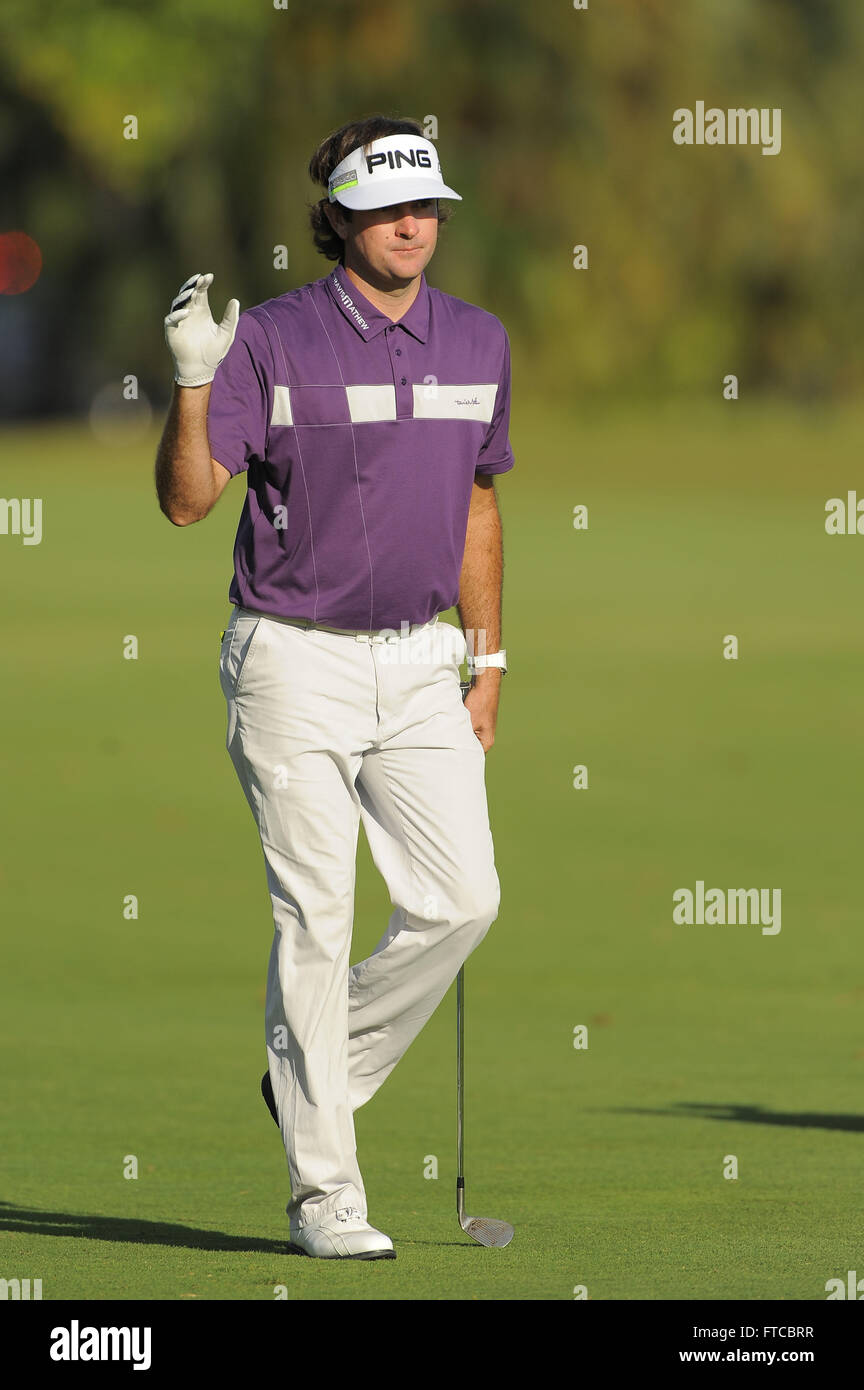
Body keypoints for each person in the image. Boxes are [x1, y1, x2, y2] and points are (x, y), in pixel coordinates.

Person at [154, 114, 513, 1260]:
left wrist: (488, 659)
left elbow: (478, 503)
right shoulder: (272, 337)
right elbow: (188, 500)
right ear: (342, 218)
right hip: (291, 655)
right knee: (317, 917)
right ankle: (326, 1197)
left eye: (427, 207)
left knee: (463, 899)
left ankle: (312, 1071)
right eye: (389, 208)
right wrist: (194, 380)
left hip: (421, 661)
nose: (413, 225)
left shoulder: (480, 340)